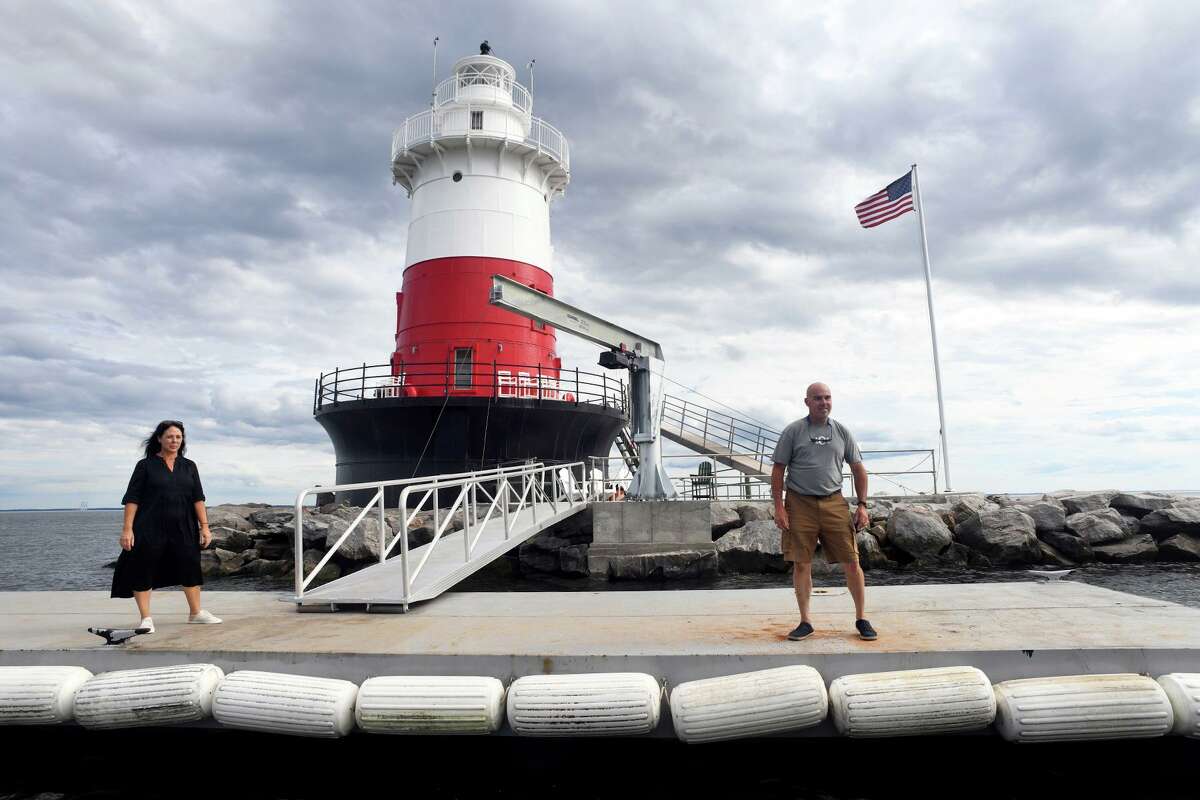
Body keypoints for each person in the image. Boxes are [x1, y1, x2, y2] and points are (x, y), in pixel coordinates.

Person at [771, 383, 876, 641]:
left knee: (852, 561)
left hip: (834, 502)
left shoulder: (841, 431)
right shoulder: (793, 431)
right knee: (801, 563)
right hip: (799, 503)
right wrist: (779, 507)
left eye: (827, 397)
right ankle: (805, 621)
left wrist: (862, 505)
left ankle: (862, 618)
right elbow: (778, 470)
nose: (823, 402)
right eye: (817, 398)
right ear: (807, 402)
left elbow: (859, 469)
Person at [110, 420, 222, 631]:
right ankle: (146, 619)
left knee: (190, 565)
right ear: (159, 438)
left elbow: (198, 498)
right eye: (170, 436)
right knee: (144, 566)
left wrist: (204, 526)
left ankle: (196, 613)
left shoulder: (189, 466)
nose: (174, 440)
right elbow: (132, 498)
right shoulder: (145, 466)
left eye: (178, 437)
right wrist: (127, 529)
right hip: (149, 526)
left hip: (184, 526)